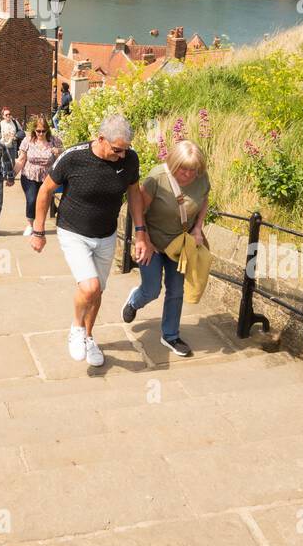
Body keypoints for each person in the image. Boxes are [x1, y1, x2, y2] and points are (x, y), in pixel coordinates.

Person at [29, 113, 152, 368]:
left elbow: (134, 195)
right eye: (117, 150)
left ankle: (88, 336)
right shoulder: (74, 157)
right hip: (73, 231)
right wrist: (38, 231)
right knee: (90, 287)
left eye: (125, 150)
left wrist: (141, 232)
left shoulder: (129, 159)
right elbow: (45, 190)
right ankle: (76, 328)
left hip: (105, 234)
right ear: (101, 139)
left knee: (98, 292)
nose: (121, 155)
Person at [122, 139, 210, 356]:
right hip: (152, 241)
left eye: (194, 169)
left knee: (176, 291)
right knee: (152, 290)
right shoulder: (157, 178)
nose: (189, 174)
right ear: (173, 162)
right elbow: (138, 208)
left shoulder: (201, 178)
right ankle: (135, 300)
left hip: (179, 245)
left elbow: (204, 200)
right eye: (184, 169)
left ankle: (170, 335)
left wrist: (198, 228)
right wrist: (144, 239)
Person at [15, 115, 62, 237]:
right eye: (38, 131)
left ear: (47, 130)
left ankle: (39, 224)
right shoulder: (28, 140)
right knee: (31, 200)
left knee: (44, 201)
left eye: (43, 131)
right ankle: (30, 225)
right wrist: (12, 176)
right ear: (34, 130)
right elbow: (21, 160)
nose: (41, 133)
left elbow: (61, 159)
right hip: (29, 175)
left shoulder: (54, 141)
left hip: (47, 177)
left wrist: (58, 152)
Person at [0, 106, 25, 172]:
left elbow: (21, 131)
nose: (8, 116)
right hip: (3, 145)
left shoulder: (15, 122)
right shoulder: (0, 125)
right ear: (3, 116)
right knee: (4, 162)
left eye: (9, 114)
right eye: (6, 114)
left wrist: (16, 137)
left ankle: (10, 175)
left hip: (13, 145)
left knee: (12, 161)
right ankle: (4, 175)